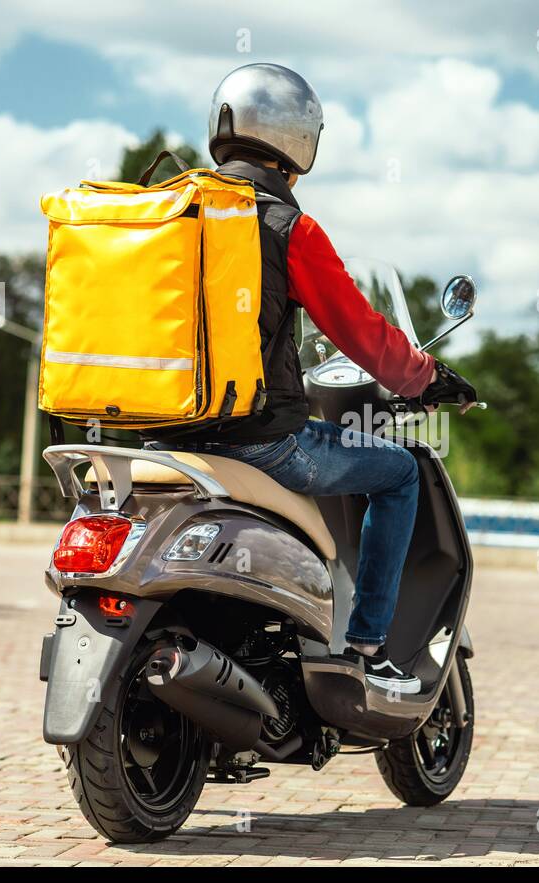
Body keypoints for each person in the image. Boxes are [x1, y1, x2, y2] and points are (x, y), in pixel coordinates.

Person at [143, 63, 477, 695]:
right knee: (400, 473)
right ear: (298, 142)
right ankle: (369, 647)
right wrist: (425, 377)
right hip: (260, 442)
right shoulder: (286, 227)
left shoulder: (169, 216)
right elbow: (357, 329)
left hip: (160, 434)